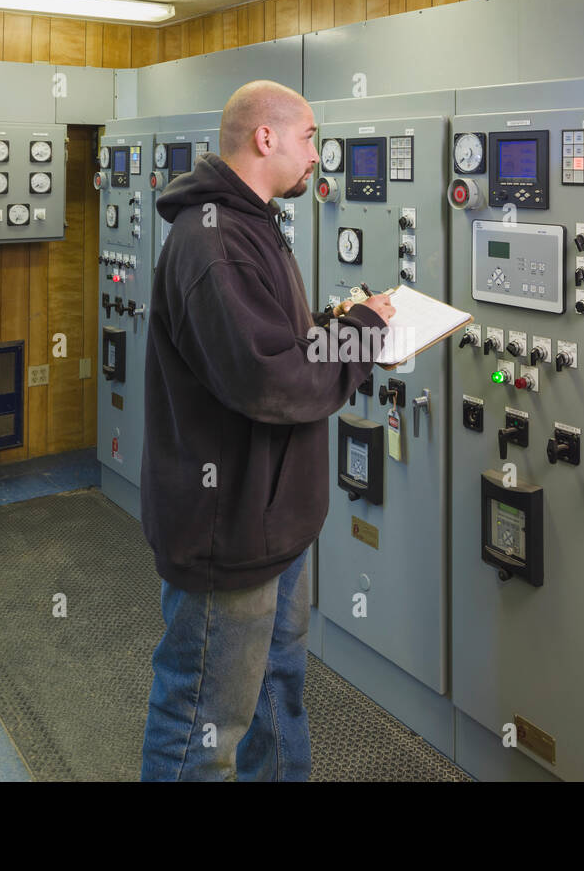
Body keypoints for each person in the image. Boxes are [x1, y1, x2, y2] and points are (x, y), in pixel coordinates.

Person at [138, 80, 394, 781]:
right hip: (230, 529)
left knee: (277, 692)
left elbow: (281, 343)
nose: (318, 154)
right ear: (266, 138)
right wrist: (363, 336)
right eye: (310, 137)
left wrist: (344, 328)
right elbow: (270, 380)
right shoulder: (213, 243)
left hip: (276, 522)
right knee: (201, 723)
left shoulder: (253, 226)